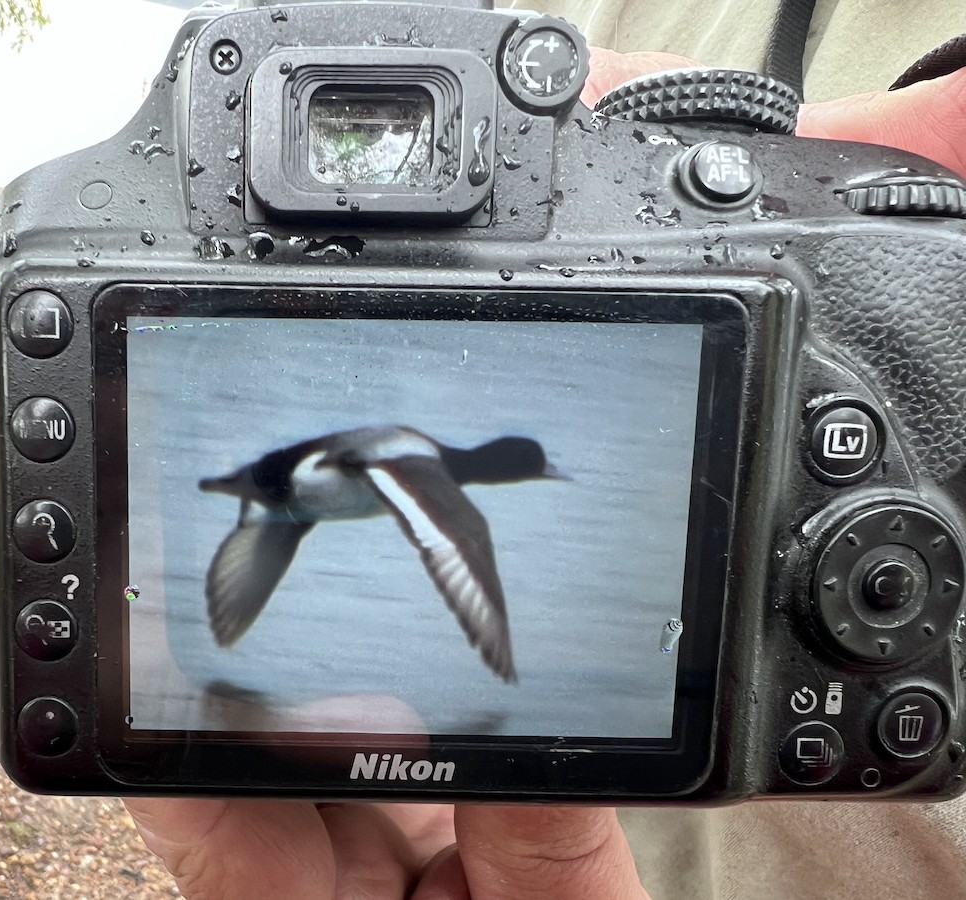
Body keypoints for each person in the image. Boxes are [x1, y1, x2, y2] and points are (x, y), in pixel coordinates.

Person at [125, 6, 966, 896]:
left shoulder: (423, 469)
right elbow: (453, 545)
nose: (540, 478)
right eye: (530, 467)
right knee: (388, 530)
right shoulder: (421, 466)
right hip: (297, 479)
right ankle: (256, 507)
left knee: (306, 528)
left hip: (296, 486)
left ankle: (255, 506)